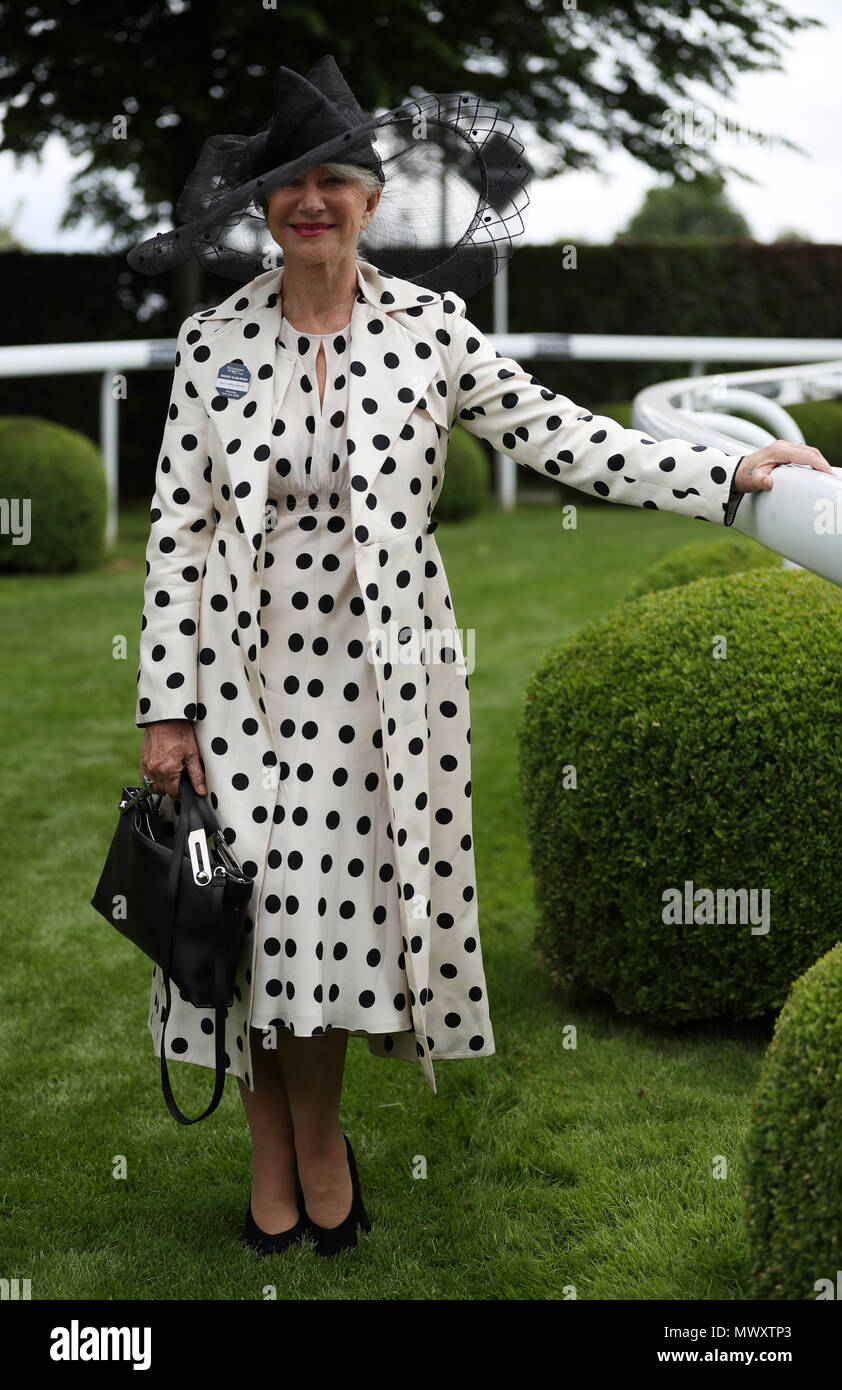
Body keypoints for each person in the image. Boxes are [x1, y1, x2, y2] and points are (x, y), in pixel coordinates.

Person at [128, 55, 834, 1259]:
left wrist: (723, 474)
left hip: (380, 683)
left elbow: (563, 436)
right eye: (292, 183)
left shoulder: (428, 331)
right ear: (264, 205)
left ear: (368, 198)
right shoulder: (213, 342)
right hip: (234, 676)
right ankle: (272, 1155)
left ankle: (317, 1146)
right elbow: (177, 528)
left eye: (336, 181)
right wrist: (165, 704)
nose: (313, 202)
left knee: (331, 924)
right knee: (243, 922)